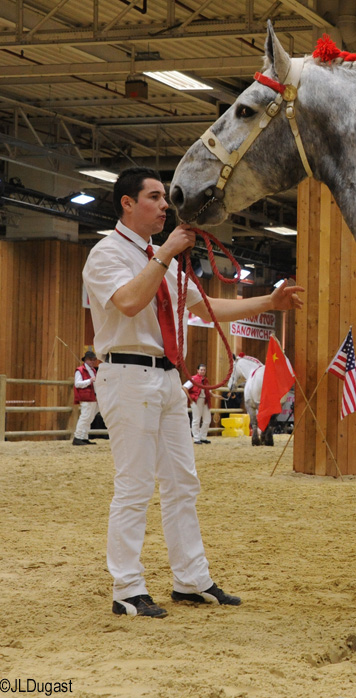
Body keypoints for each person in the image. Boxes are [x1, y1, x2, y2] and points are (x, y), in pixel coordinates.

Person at [82, 167, 305, 619]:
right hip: (127, 373)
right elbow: (128, 302)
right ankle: (127, 587)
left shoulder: (156, 259)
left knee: (183, 482)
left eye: (165, 198)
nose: (166, 205)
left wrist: (269, 302)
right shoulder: (107, 255)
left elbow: (205, 307)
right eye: (155, 197)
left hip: (166, 377)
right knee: (135, 485)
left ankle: (190, 579)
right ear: (127, 203)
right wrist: (164, 254)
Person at [72, 350, 101, 445]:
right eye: (90, 359)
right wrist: (90, 381)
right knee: (85, 417)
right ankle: (77, 437)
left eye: (94, 359)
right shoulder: (80, 370)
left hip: (93, 397)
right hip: (86, 397)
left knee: (89, 418)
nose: (92, 361)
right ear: (86, 360)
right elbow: (77, 384)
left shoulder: (93, 370)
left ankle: (84, 437)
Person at [183, 363, 212, 444]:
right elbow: (184, 387)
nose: (203, 371)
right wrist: (190, 398)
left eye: (204, 370)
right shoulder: (194, 379)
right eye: (201, 370)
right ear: (198, 370)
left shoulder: (205, 380)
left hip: (205, 400)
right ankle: (196, 438)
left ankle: (202, 436)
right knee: (196, 419)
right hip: (196, 400)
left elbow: (208, 392)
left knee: (207, 419)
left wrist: (216, 396)